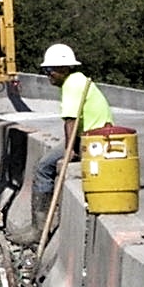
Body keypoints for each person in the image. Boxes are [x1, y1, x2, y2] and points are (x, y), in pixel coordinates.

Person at [31, 43, 111, 234]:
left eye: (50, 70)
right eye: (46, 71)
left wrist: (70, 150)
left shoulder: (72, 85)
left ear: (63, 68)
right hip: (93, 135)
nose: (48, 75)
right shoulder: (76, 80)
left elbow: (71, 120)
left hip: (92, 139)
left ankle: (40, 228)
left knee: (43, 167)